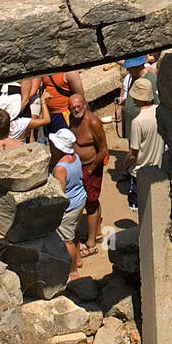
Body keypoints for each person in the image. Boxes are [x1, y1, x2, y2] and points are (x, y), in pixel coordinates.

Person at [67, 92, 108, 256]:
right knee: (92, 200)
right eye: (73, 108)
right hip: (79, 166)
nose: (76, 110)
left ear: (84, 105)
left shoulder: (93, 122)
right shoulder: (72, 120)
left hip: (91, 166)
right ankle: (96, 232)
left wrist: (91, 170)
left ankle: (91, 244)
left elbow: (104, 149)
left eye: (79, 106)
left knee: (90, 202)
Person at [122, 77, 166, 214]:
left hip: (139, 172)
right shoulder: (159, 111)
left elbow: (133, 153)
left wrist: (125, 165)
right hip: (158, 168)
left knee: (141, 212)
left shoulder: (137, 122)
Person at [50, 128, 87, 276]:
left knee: (67, 240)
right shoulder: (75, 157)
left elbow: (60, 194)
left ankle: (73, 271)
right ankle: (78, 259)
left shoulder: (60, 168)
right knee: (74, 232)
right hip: (80, 200)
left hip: (69, 206)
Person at [118, 56, 158, 143]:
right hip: (132, 127)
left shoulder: (150, 80)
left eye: (130, 67)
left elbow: (156, 105)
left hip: (142, 129)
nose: (128, 69)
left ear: (139, 66)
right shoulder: (131, 77)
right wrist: (125, 101)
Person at [41, 69, 85, 134]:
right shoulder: (44, 72)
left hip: (66, 114)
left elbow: (79, 95)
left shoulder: (69, 73)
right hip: (51, 114)